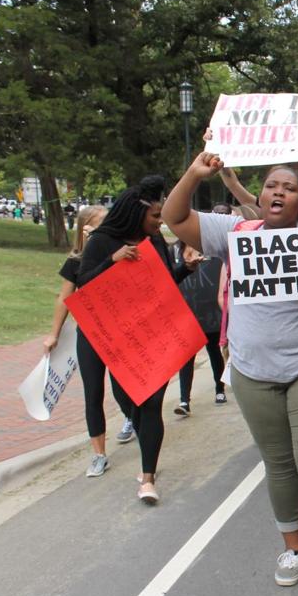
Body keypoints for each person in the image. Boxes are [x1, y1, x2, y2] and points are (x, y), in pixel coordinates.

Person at [163, 153, 298, 589]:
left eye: (290, 188)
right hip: (252, 370)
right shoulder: (234, 233)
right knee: (278, 463)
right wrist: (195, 173)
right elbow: (174, 216)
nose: (279, 192)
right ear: (258, 197)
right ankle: (292, 546)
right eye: (272, 186)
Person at [77, 188, 191, 503]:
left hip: (151, 336)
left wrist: (186, 269)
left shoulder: (155, 242)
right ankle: (145, 449)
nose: (160, 221)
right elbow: (83, 284)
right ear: (136, 215)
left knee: (151, 403)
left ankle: (148, 478)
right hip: (114, 339)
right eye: (155, 215)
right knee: (127, 400)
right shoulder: (102, 242)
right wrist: (112, 261)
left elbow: (167, 284)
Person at [43, 205, 110, 477]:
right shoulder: (76, 261)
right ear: (85, 228)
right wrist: (54, 334)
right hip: (90, 333)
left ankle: (133, 421)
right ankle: (99, 454)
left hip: (119, 333)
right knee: (93, 392)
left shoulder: (119, 254)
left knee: (124, 392)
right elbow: (65, 299)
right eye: (102, 222)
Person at [171, 235, 226, 416]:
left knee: (213, 352)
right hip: (185, 312)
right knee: (186, 357)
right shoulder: (173, 252)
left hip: (209, 311)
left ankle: (220, 389)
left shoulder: (213, 253)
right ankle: (184, 400)